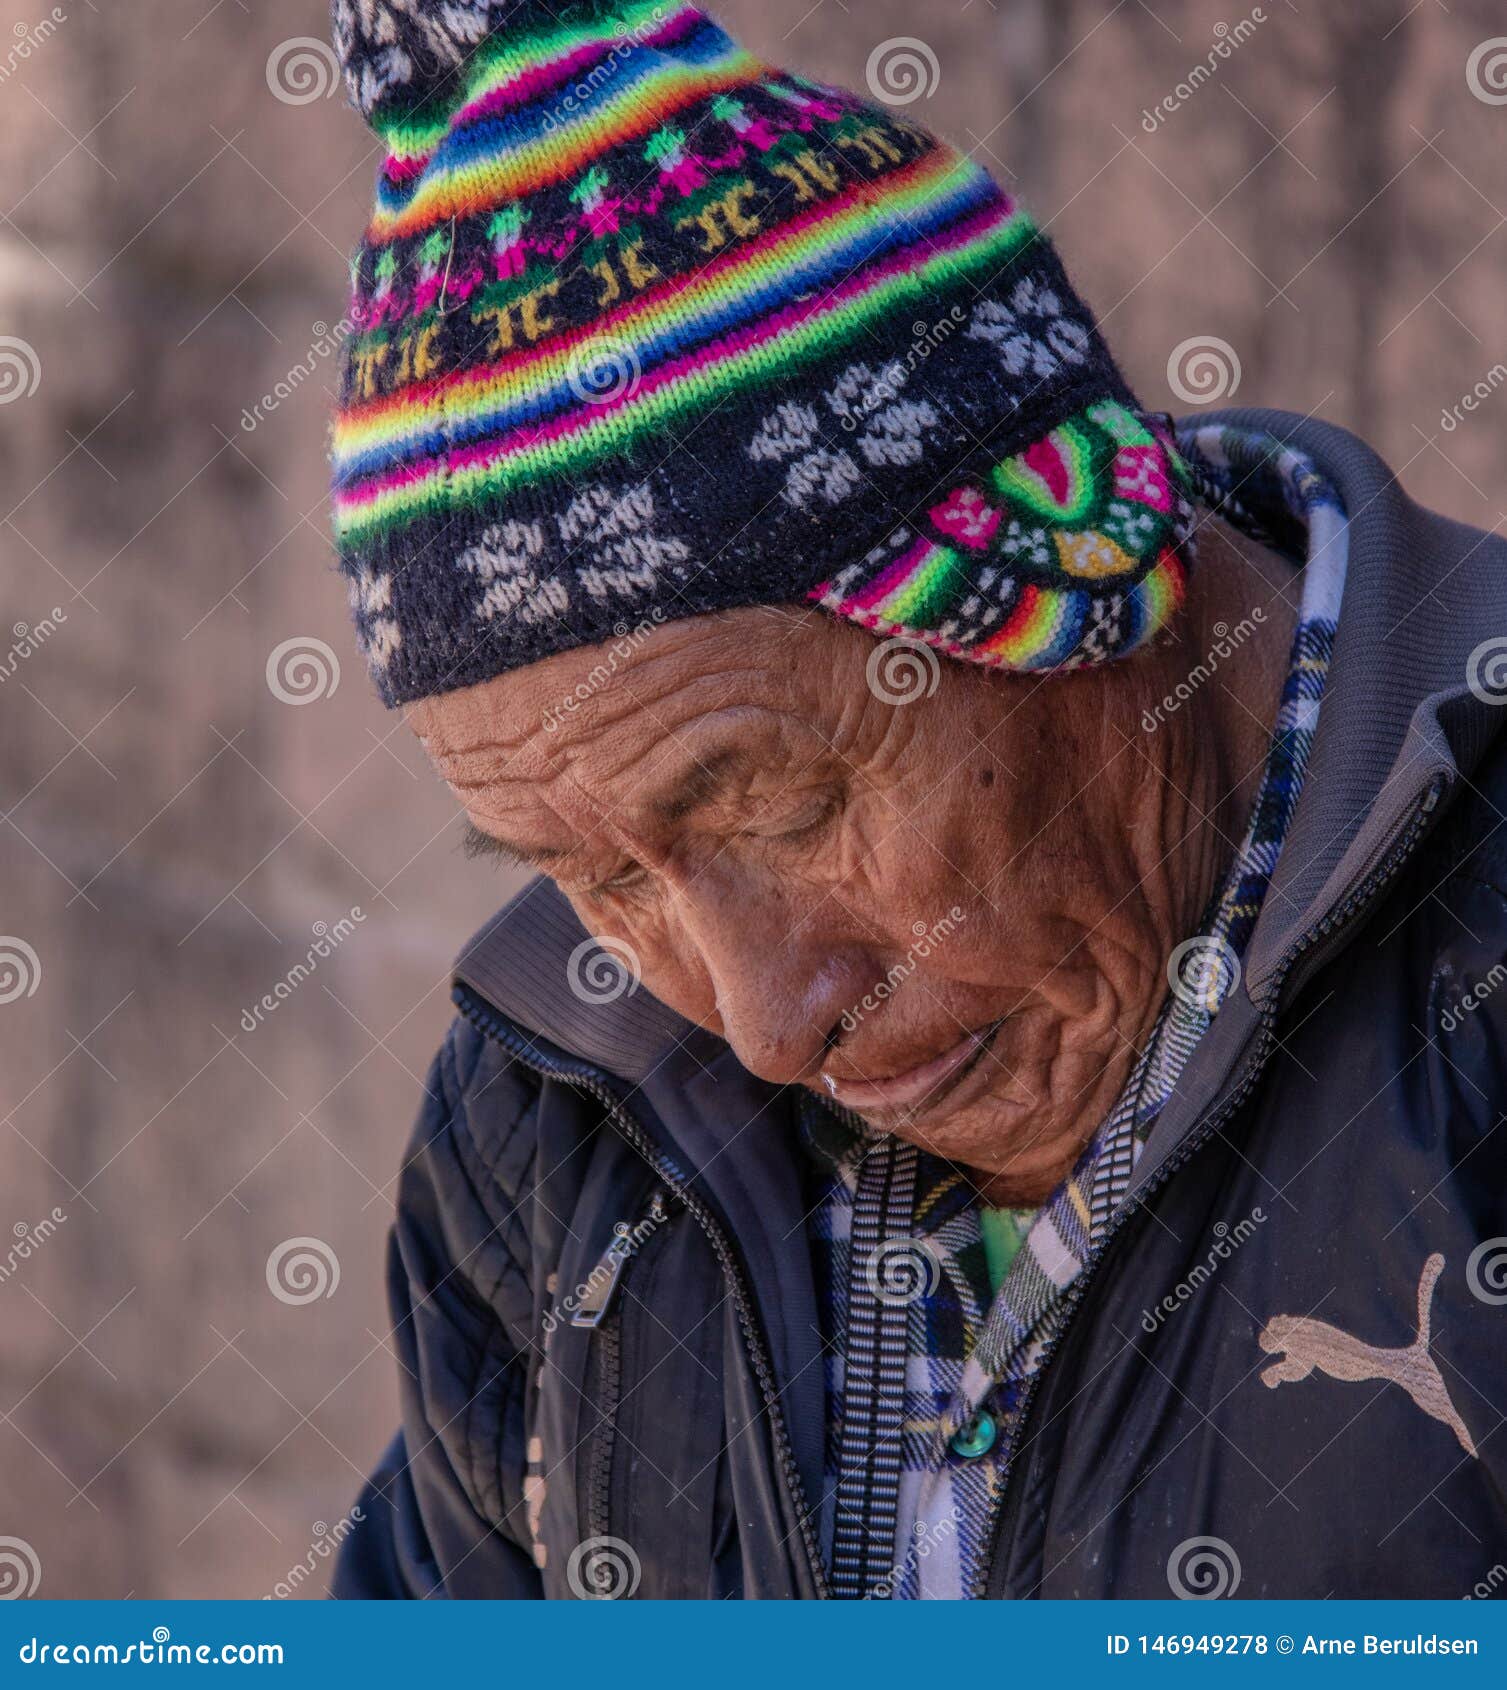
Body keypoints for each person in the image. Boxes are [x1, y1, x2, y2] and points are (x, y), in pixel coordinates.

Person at [323, 1, 1507, 1599]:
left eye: (783, 814)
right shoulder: (551, 1120)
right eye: (600, 874)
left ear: (1070, 562)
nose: (760, 1022)